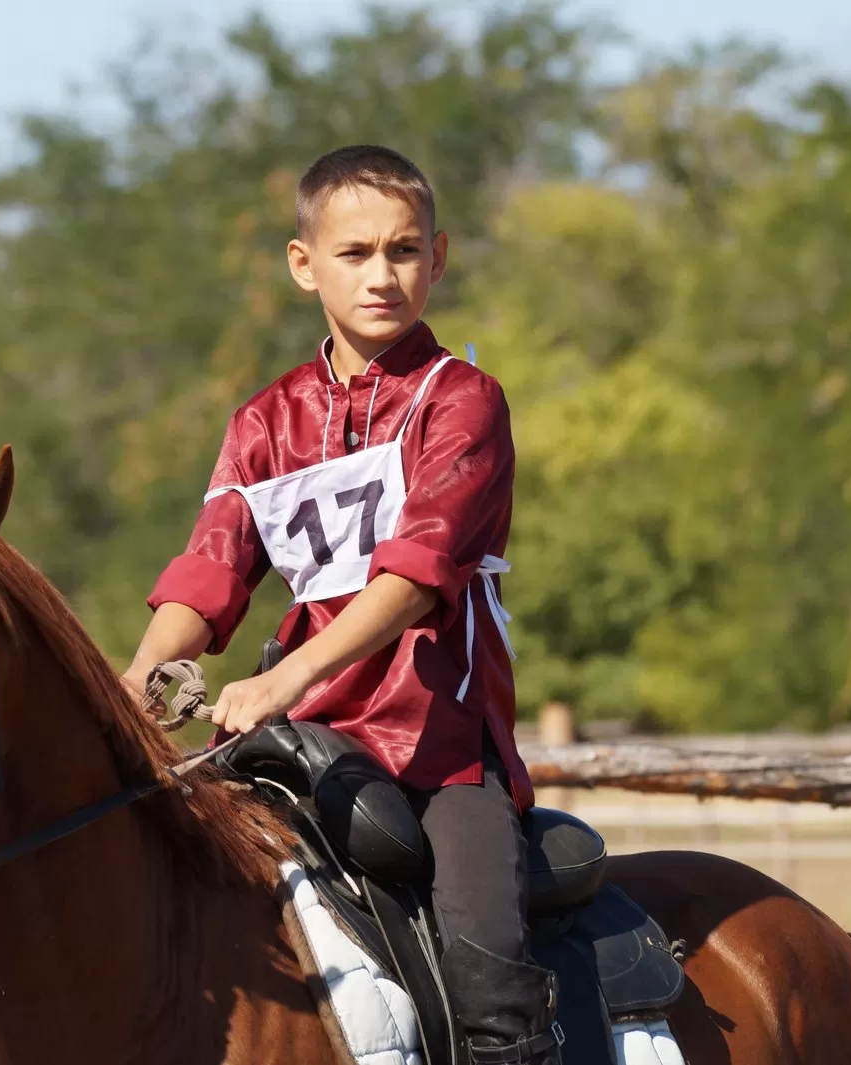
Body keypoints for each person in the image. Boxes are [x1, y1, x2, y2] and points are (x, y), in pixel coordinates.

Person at [123, 144, 561, 1064]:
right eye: (354, 253)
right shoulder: (261, 423)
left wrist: (285, 676)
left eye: (403, 251)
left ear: (437, 259)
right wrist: (136, 679)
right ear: (303, 265)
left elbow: (415, 576)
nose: (382, 275)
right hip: (293, 743)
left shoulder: (465, 401)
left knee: (492, 985)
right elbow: (209, 574)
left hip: (437, 749)